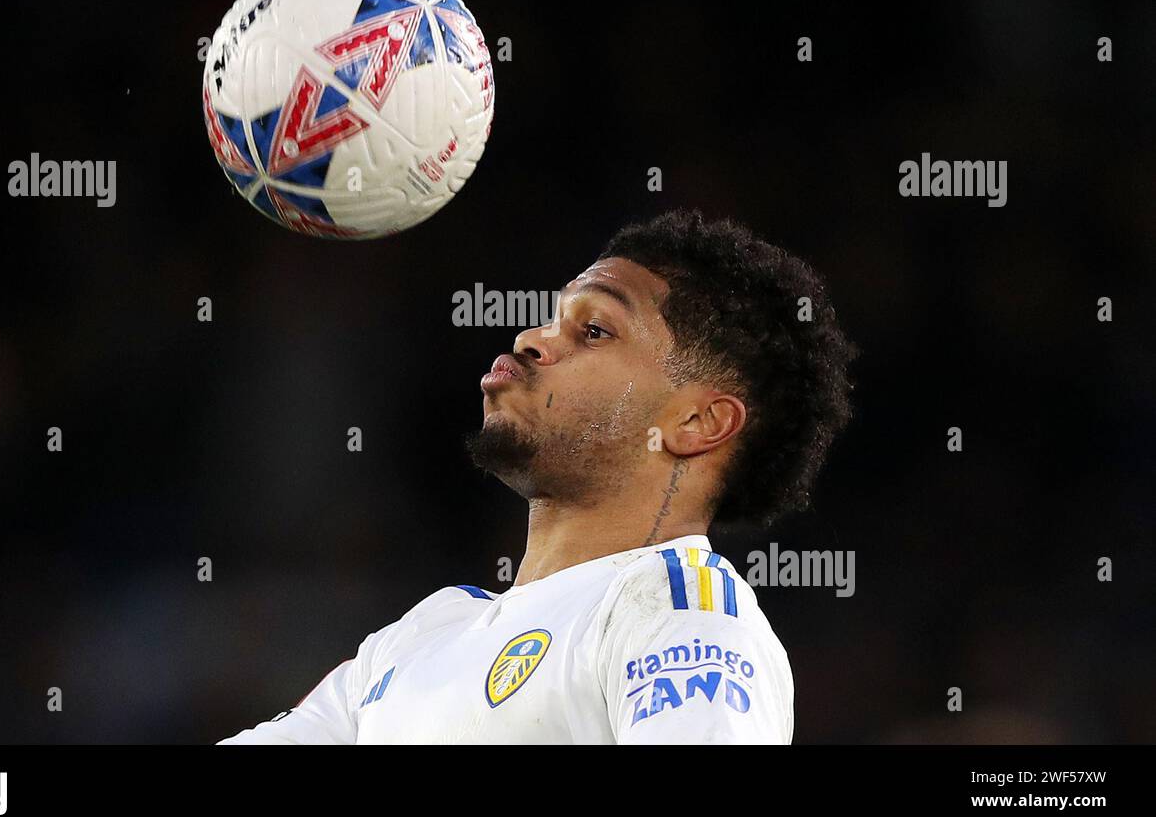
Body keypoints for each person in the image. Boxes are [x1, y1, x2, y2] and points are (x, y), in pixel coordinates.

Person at [221, 209, 855, 744]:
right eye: (552, 319)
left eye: (595, 330)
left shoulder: (680, 616)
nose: (530, 339)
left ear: (696, 420)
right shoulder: (417, 637)